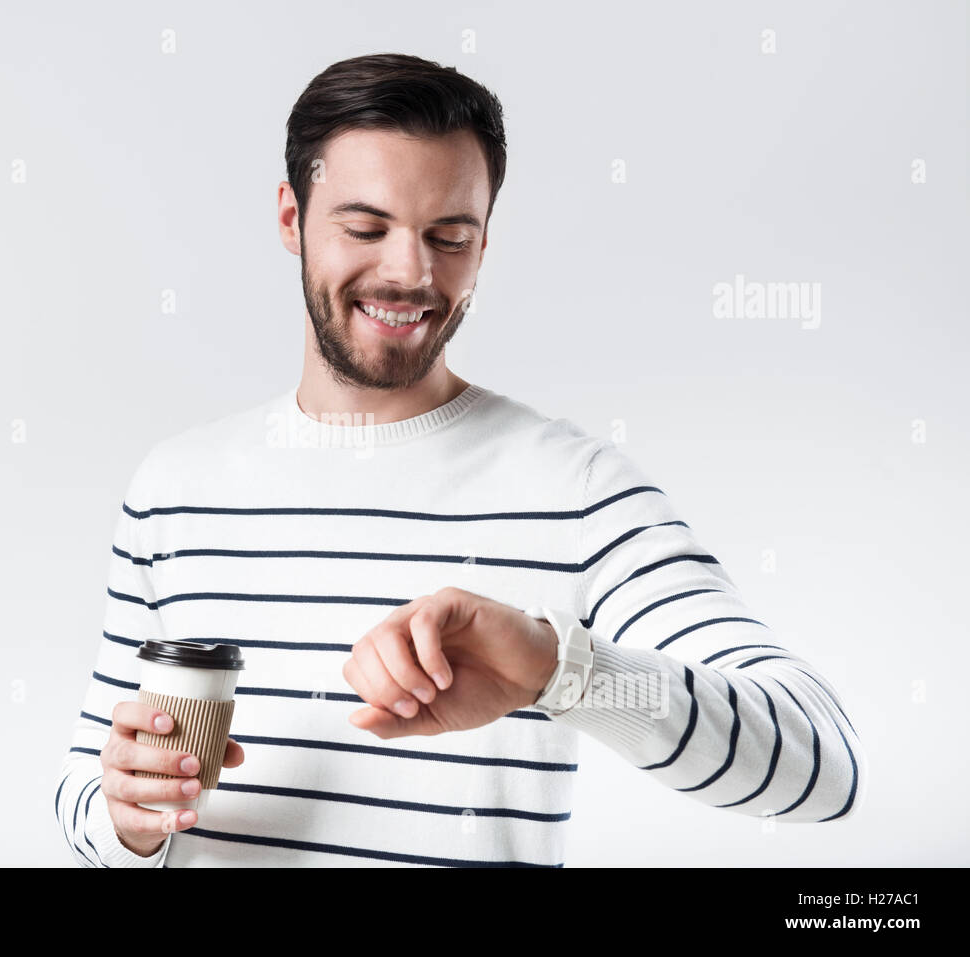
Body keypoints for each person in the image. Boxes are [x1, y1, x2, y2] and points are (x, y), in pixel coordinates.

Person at [54, 52, 866, 867]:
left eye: (450, 237)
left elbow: (823, 764)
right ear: (291, 218)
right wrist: (128, 821)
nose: (410, 273)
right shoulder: (175, 488)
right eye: (365, 228)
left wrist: (557, 669)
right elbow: (88, 793)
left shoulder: (578, 490)